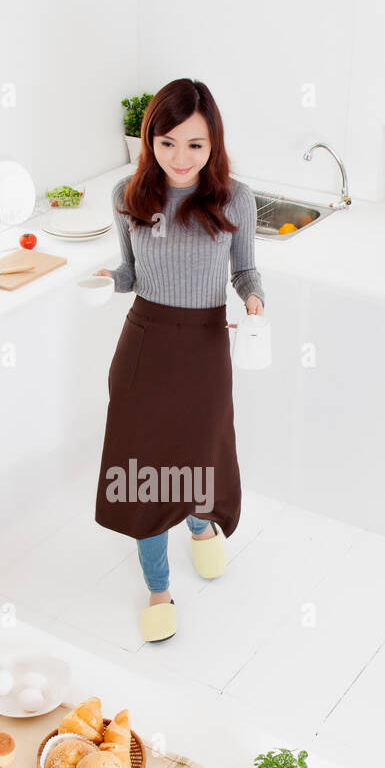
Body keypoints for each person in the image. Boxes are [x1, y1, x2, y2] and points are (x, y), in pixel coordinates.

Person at [93, 77, 266, 642]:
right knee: (145, 472)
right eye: (167, 143)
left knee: (199, 449)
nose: (180, 157)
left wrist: (254, 300)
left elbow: (244, 270)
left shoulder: (234, 198)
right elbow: (130, 272)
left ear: (213, 141)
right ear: (150, 140)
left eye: (195, 144)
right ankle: (159, 588)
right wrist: (105, 279)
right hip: (145, 344)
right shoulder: (127, 194)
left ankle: (199, 527)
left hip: (206, 345)